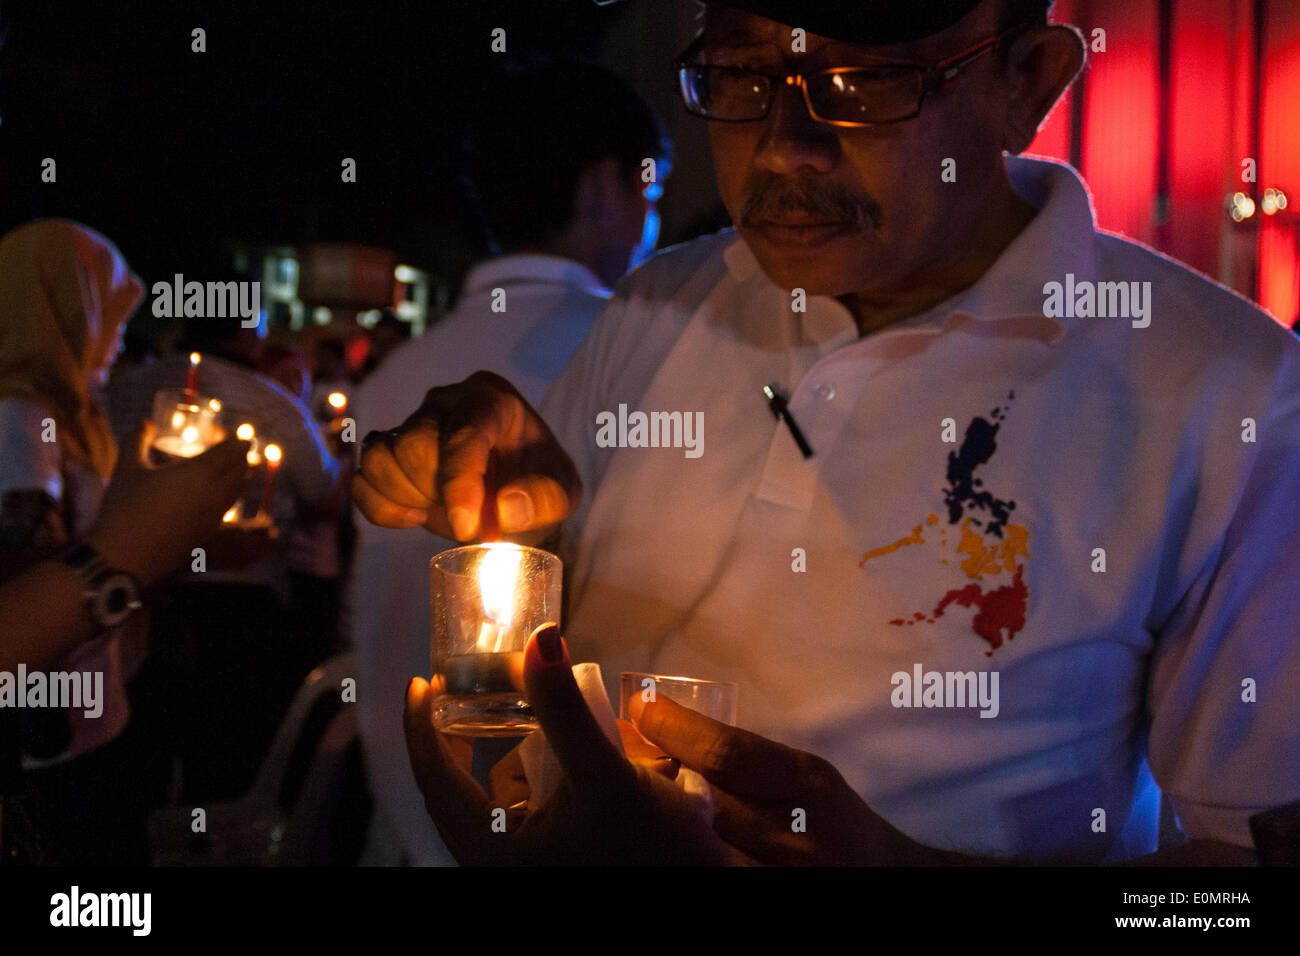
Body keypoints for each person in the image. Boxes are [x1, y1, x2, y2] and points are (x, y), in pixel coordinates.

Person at [359, 0, 1300, 866]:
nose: (783, 148)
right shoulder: (658, 305)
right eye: (739, 76)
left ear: (1030, 81)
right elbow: (556, 621)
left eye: (863, 83)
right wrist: (522, 513)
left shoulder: (1226, 391)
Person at [349, 58, 671, 865]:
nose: (652, 223)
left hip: (404, 809)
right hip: (554, 831)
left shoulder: (391, 376)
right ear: (606, 185)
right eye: (651, 194)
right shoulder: (645, 352)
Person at [0, 219, 251, 864]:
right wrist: (141, 541)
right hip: (52, 749)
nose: (118, 338)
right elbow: (21, 574)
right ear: (65, 309)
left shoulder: (61, 416)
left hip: (86, 725)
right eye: (108, 314)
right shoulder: (20, 419)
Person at [106, 297, 341, 802]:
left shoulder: (120, 392)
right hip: (239, 608)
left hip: (132, 602)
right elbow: (321, 494)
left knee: (138, 765)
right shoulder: (272, 402)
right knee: (221, 770)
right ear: (248, 331)